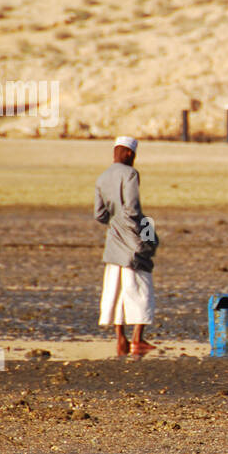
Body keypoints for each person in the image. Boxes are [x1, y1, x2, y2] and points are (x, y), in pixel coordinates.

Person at [93, 136, 158, 356]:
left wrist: (116, 222)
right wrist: (147, 236)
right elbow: (133, 210)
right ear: (130, 153)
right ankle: (138, 338)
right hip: (133, 239)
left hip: (113, 241)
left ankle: (121, 339)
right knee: (141, 287)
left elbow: (100, 215)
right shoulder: (131, 174)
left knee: (115, 289)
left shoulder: (102, 177)